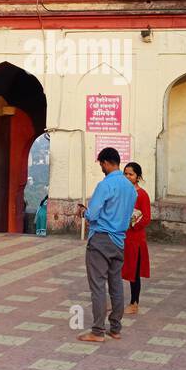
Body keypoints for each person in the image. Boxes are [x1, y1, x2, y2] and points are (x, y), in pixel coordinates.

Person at [75, 146, 137, 342]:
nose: (101, 167)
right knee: (116, 284)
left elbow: (92, 214)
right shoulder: (130, 188)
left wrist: (83, 212)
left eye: (101, 164)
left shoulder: (105, 185)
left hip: (101, 238)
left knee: (98, 286)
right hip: (119, 240)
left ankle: (97, 331)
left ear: (106, 162)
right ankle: (116, 328)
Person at [121, 161, 151, 315]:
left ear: (137, 177)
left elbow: (146, 218)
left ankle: (134, 302)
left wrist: (132, 222)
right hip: (121, 237)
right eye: (125, 173)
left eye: (130, 174)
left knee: (134, 272)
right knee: (116, 270)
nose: (127, 176)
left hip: (135, 238)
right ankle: (116, 300)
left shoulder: (142, 195)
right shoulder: (122, 192)